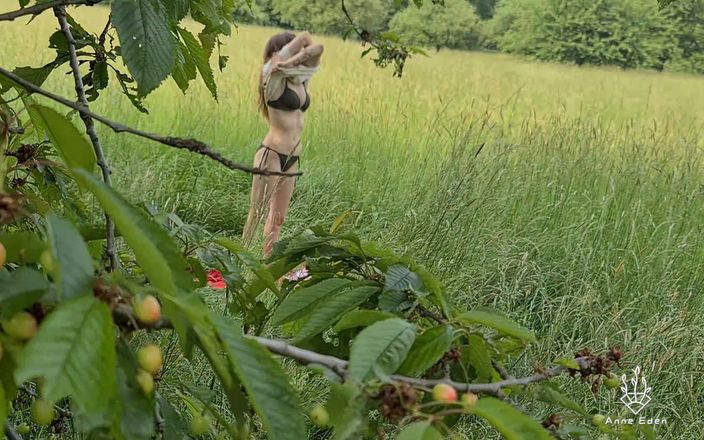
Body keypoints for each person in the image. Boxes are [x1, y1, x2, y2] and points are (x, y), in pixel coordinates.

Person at [242, 31, 324, 256]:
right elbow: (303, 38)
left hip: (292, 158)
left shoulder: (301, 77)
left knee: (278, 219)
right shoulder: (271, 78)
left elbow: (316, 47)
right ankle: (238, 263)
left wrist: (290, 61)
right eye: (277, 54)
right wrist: (282, 58)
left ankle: (267, 266)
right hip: (272, 154)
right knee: (256, 215)